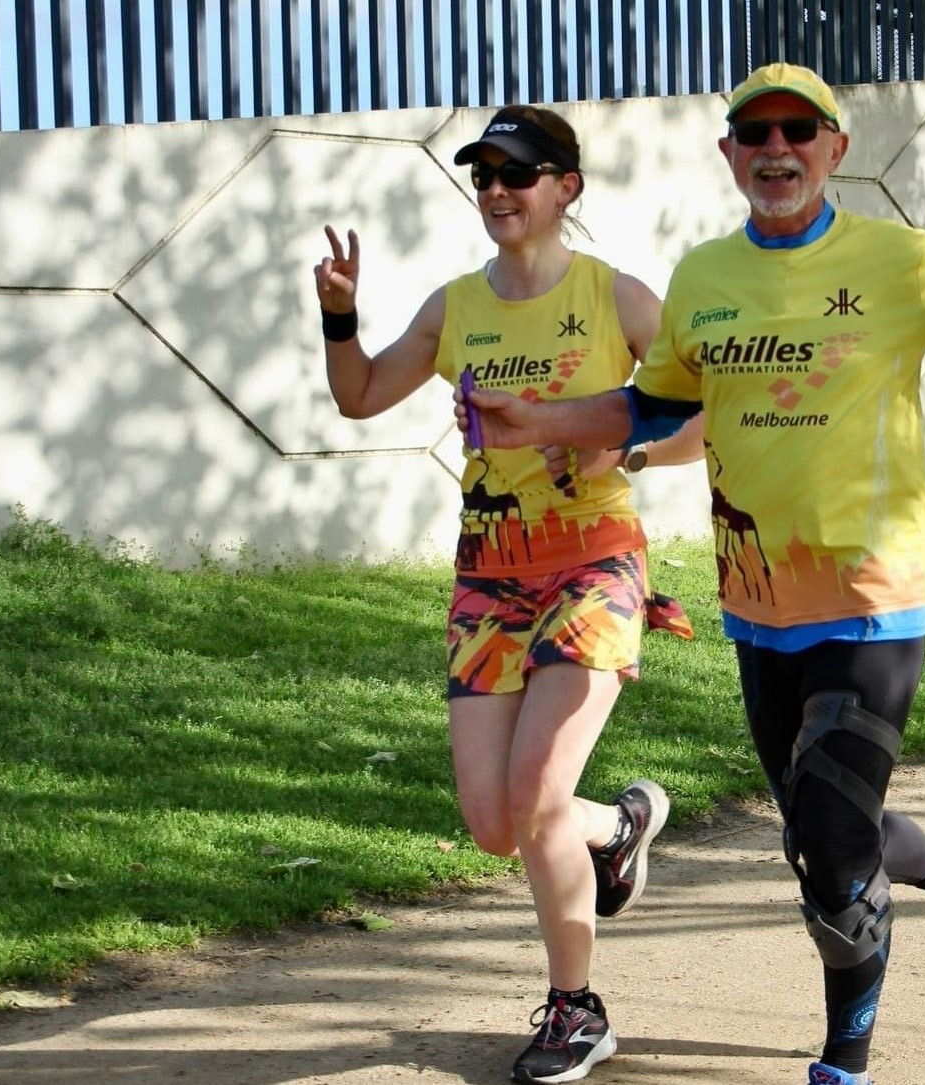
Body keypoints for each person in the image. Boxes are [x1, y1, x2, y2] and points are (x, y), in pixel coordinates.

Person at [457, 63, 925, 1085]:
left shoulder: (894, 259)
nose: (776, 147)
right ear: (729, 154)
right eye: (754, 132)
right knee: (825, 831)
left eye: (798, 129)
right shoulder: (705, 276)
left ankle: (844, 1062)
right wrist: (541, 420)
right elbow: (652, 406)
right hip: (758, 614)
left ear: (834, 149)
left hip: (872, 604)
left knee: (831, 845)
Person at [314, 104, 704, 1084]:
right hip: (488, 576)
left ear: (565, 187)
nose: (495, 190)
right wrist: (339, 316)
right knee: (495, 826)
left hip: (593, 564)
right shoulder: (454, 307)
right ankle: (616, 828)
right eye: (482, 174)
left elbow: (705, 413)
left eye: (516, 173)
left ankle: (577, 1008)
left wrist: (624, 447)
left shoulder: (616, 298)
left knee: (534, 797)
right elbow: (359, 395)